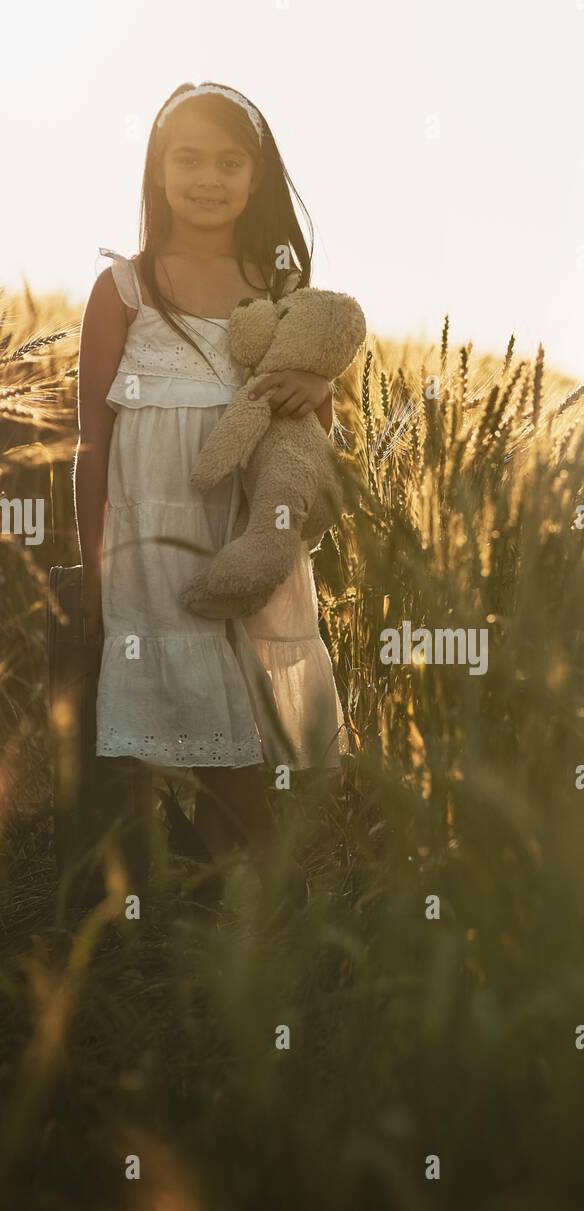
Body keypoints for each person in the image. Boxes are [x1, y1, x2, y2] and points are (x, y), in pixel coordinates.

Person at [74, 81, 349, 878]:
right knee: (161, 702)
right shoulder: (124, 288)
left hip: (247, 532)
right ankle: (145, 902)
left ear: (257, 177)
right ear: (157, 171)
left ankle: (243, 904)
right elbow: (93, 442)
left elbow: (310, 437)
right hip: (152, 535)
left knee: (242, 720)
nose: (208, 177)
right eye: (187, 158)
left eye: (230, 162)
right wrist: (89, 564)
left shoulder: (279, 289)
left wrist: (319, 389)